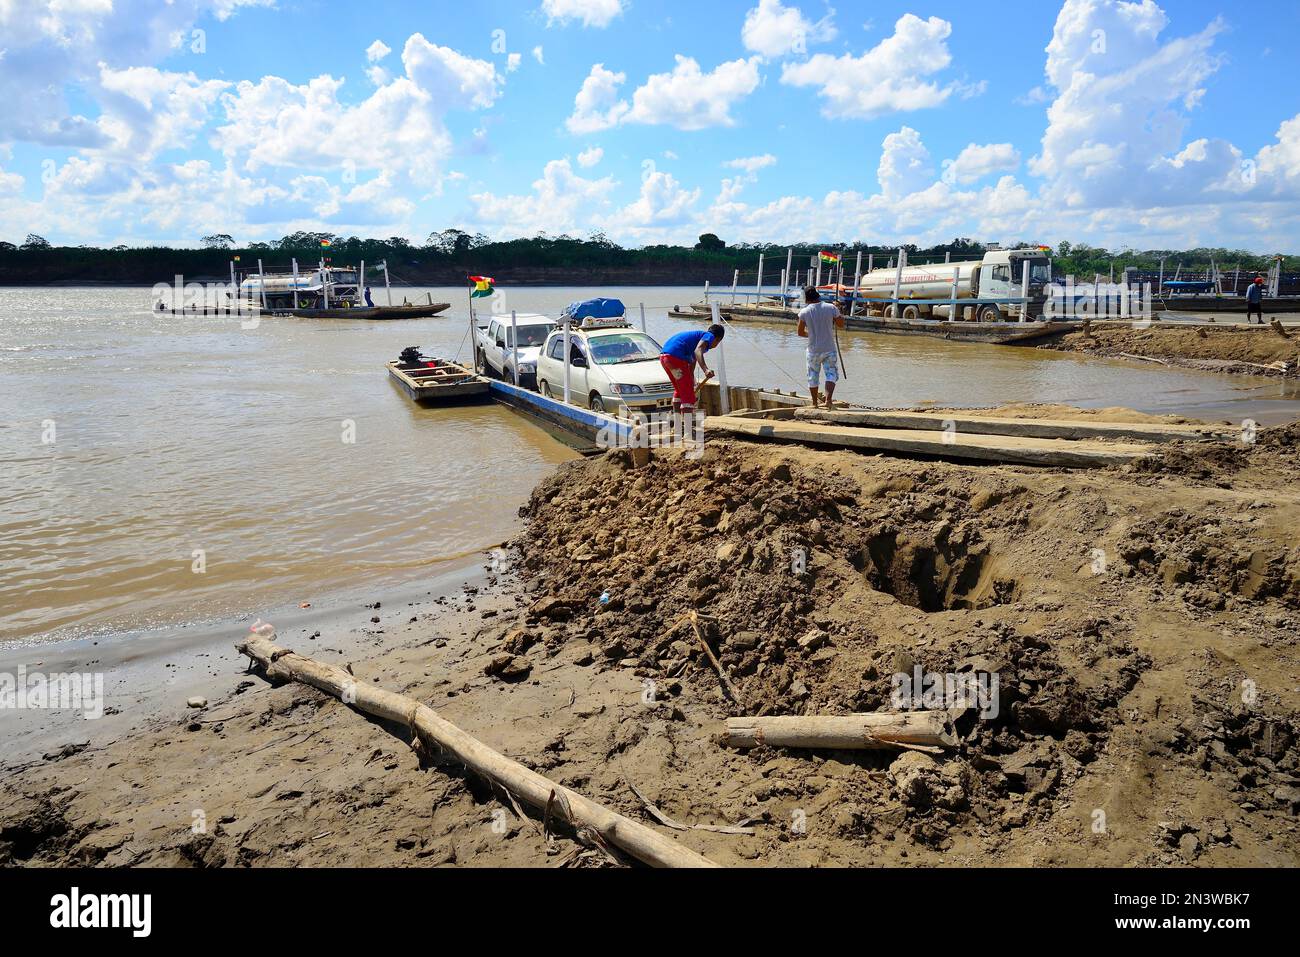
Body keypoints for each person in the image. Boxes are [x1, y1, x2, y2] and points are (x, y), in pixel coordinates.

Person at [659, 324, 725, 417]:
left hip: (665, 359)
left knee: (680, 390)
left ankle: (678, 424)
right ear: (718, 339)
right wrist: (705, 370)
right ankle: (687, 429)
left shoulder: (694, 341)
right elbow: (698, 350)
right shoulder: (709, 336)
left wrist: (691, 382)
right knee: (689, 397)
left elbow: (692, 363)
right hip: (675, 357)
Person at [797, 286, 845, 409]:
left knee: (812, 376)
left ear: (807, 298)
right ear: (818, 295)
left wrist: (812, 335)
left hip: (813, 350)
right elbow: (841, 325)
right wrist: (838, 311)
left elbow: (800, 333)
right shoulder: (831, 308)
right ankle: (828, 400)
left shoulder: (804, 312)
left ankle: (814, 403)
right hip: (829, 348)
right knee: (831, 374)